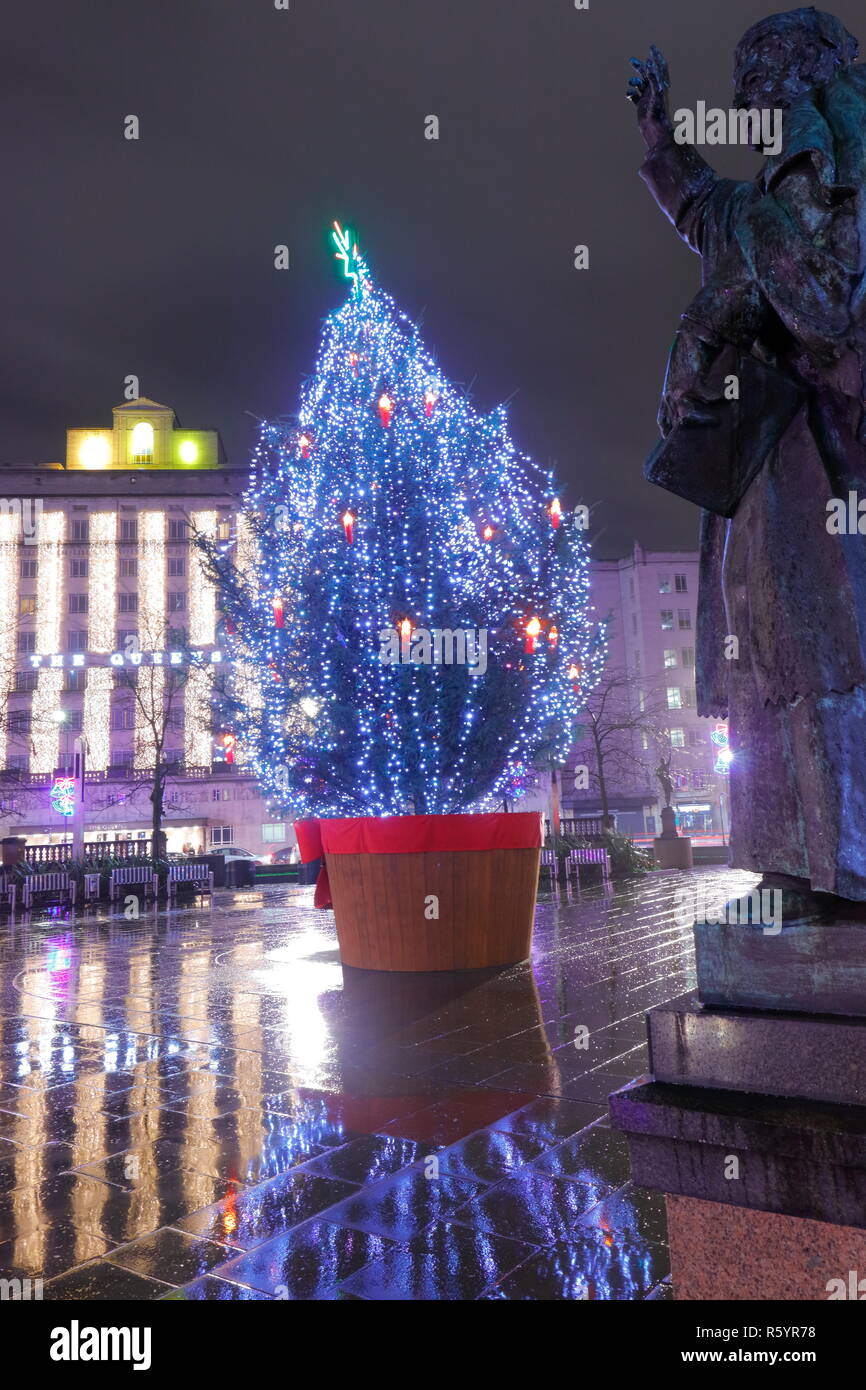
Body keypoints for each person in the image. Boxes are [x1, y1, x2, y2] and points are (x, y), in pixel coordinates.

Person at [629, 9, 866, 906]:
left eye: (760, 80)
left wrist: (704, 322)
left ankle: (843, 867)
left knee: (823, 646)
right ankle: (795, 862)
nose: (746, 101)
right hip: (773, 459)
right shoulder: (778, 187)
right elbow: (712, 211)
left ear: (806, 72)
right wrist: (663, 143)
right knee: (767, 647)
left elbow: (818, 301)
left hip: (829, 458)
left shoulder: (841, 166)